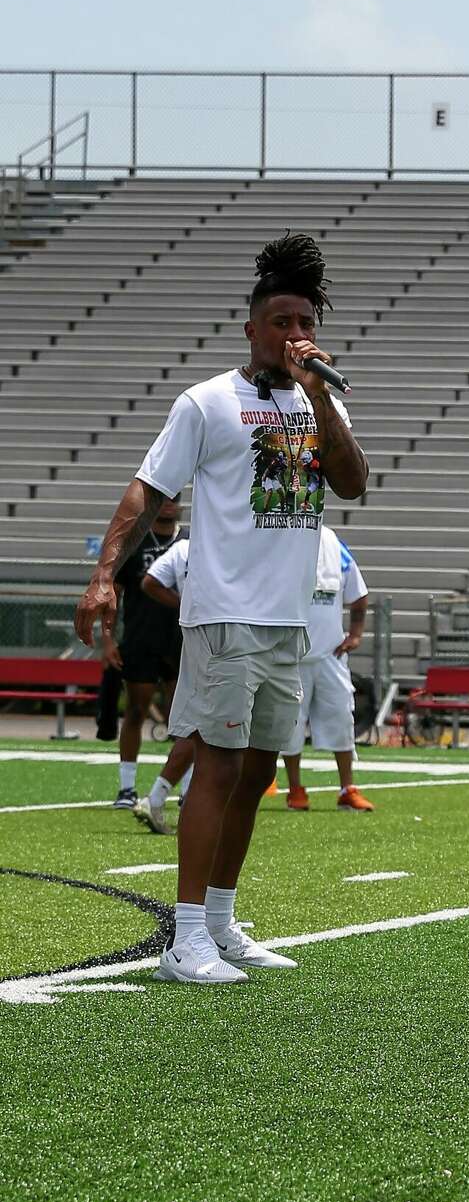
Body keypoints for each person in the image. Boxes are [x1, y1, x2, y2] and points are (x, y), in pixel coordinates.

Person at [74, 232, 369, 985]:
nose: (295, 335)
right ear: (250, 328)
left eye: (305, 322)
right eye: (280, 321)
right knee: (218, 766)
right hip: (224, 614)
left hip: (287, 620)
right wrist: (105, 573)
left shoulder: (318, 403)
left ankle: (222, 921)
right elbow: (147, 489)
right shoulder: (207, 402)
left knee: (257, 771)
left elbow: (353, 482)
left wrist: (318, 398)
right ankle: (187, 939)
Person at [276, 524, 374, 813]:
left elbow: (359, 594)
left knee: (342, 720)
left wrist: (355, 634)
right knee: (291, 726)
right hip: (292, 656)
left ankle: (347, 789)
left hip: (330, 656)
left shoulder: (333, 543)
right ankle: (295, 789)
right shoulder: (282, 538)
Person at [105, 496, 186, 808]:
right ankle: (127, 787)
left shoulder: (190, 539)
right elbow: (114, 593)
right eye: (164, 499)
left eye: (175, 499)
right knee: (136, 711)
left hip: (181, 638)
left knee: (182, 717)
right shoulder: (137, 541)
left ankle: (186, 788)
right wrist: (109, 641)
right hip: (141, 635)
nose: (169, 504)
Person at [134, 536, 196, 834]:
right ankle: (159, 797)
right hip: (217, 640)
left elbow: (151, 582)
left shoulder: (183, 547)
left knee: (205, 726)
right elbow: (150, 582)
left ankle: (187, 796)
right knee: (204, 727)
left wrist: (183, 603)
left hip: (193, 637)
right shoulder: (198, 546)